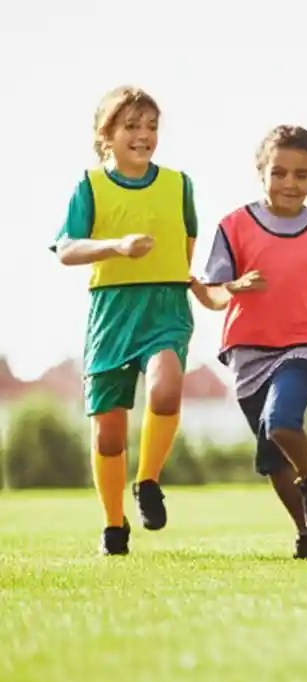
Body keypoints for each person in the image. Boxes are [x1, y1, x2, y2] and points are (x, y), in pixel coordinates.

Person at [191, 125, 307, 560]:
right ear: (260, 172)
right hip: (247, 352)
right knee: (272, 455)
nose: (290, 183)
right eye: (279, 172)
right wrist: (231, 288)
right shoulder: (234, 226)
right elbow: (212, 296)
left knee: (282, 423)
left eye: (301, 175)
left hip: (303, 344)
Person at [52, 85, 197, 556]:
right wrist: (116, 246)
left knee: (167, 387)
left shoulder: (179, 184)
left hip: (165, 308)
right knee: (109, 432)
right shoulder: (89, 185)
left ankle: (148, 481)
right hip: (111, 315)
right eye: (131, 126)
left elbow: (187, 244)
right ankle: (114, 527)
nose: (144, 135)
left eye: (151, 126)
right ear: (105, 136)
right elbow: (67, 248)